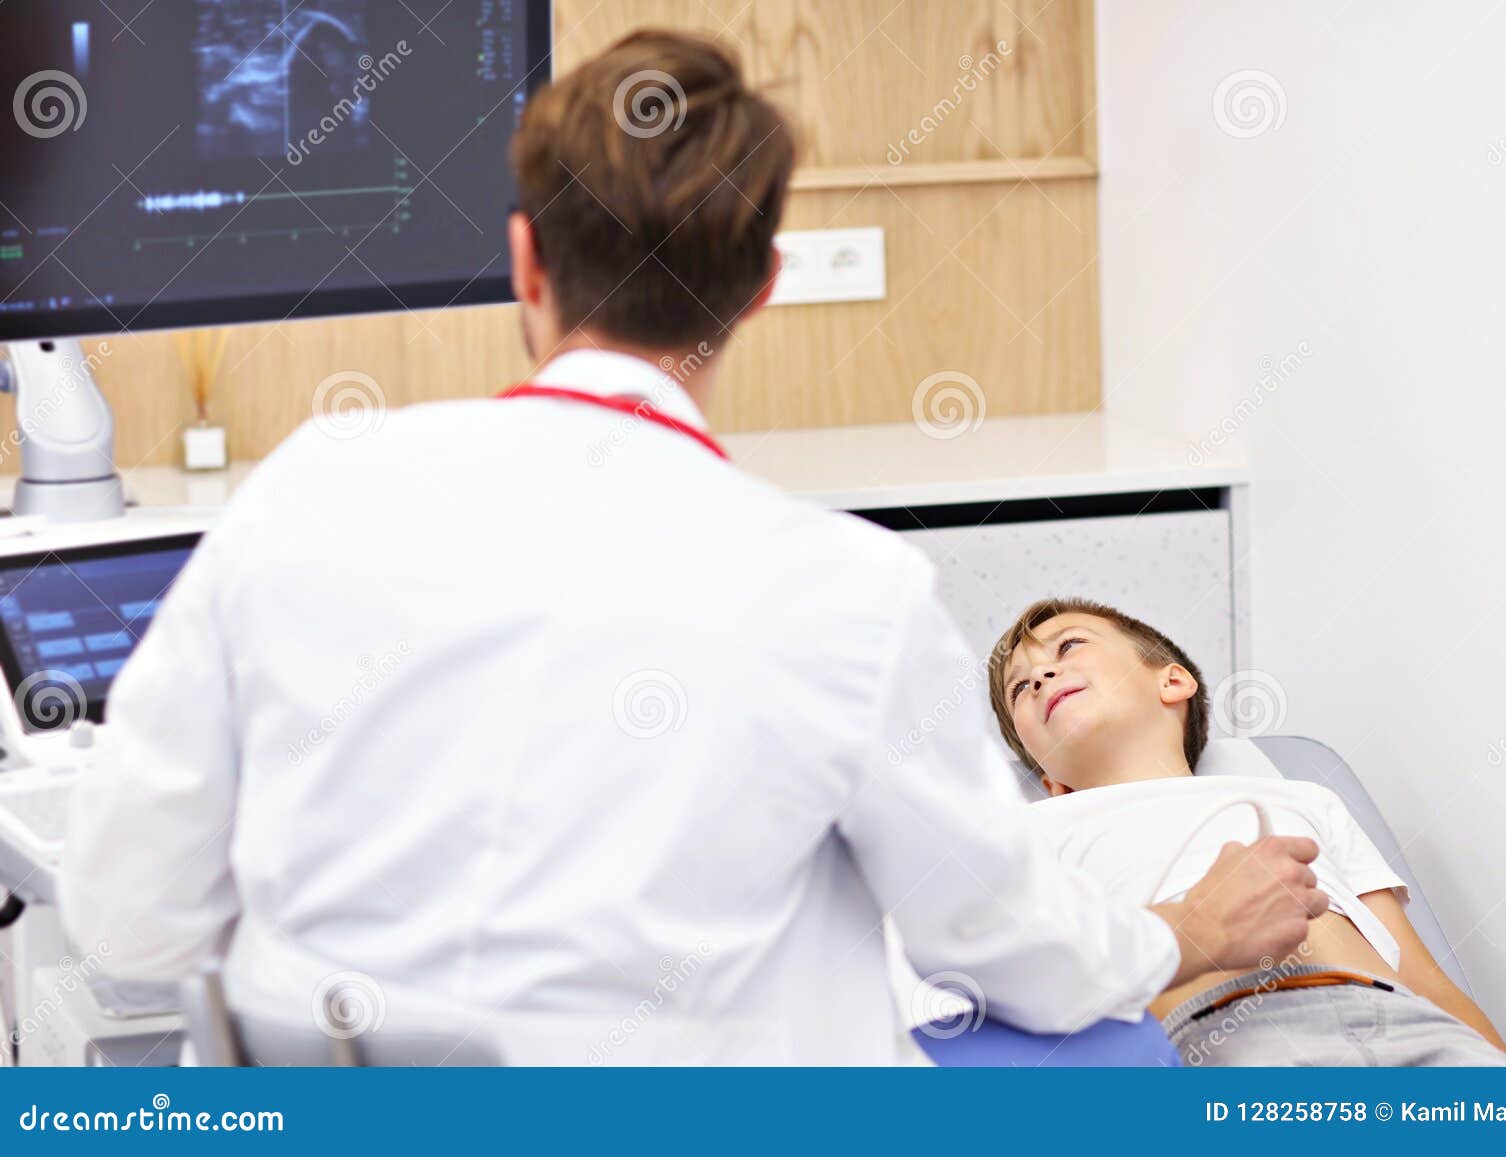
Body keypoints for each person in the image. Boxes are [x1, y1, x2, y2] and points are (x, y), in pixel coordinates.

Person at [61, 30, 1324, 1065]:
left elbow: (126, 920)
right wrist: (1186, 927)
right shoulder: (844, 591)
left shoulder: (306, 492)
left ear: (525, 258)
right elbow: (1006, 948)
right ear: (761, 283)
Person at [989, 596, 1506, 1066]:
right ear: (1051, 781)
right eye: (1019, 689)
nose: (1040, 677)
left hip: (1408, 1024)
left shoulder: (1305, 798)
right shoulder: (1034, 830)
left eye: (1069, 646)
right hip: (1224, 1039)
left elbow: (1428, 980)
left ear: (1172, 682)